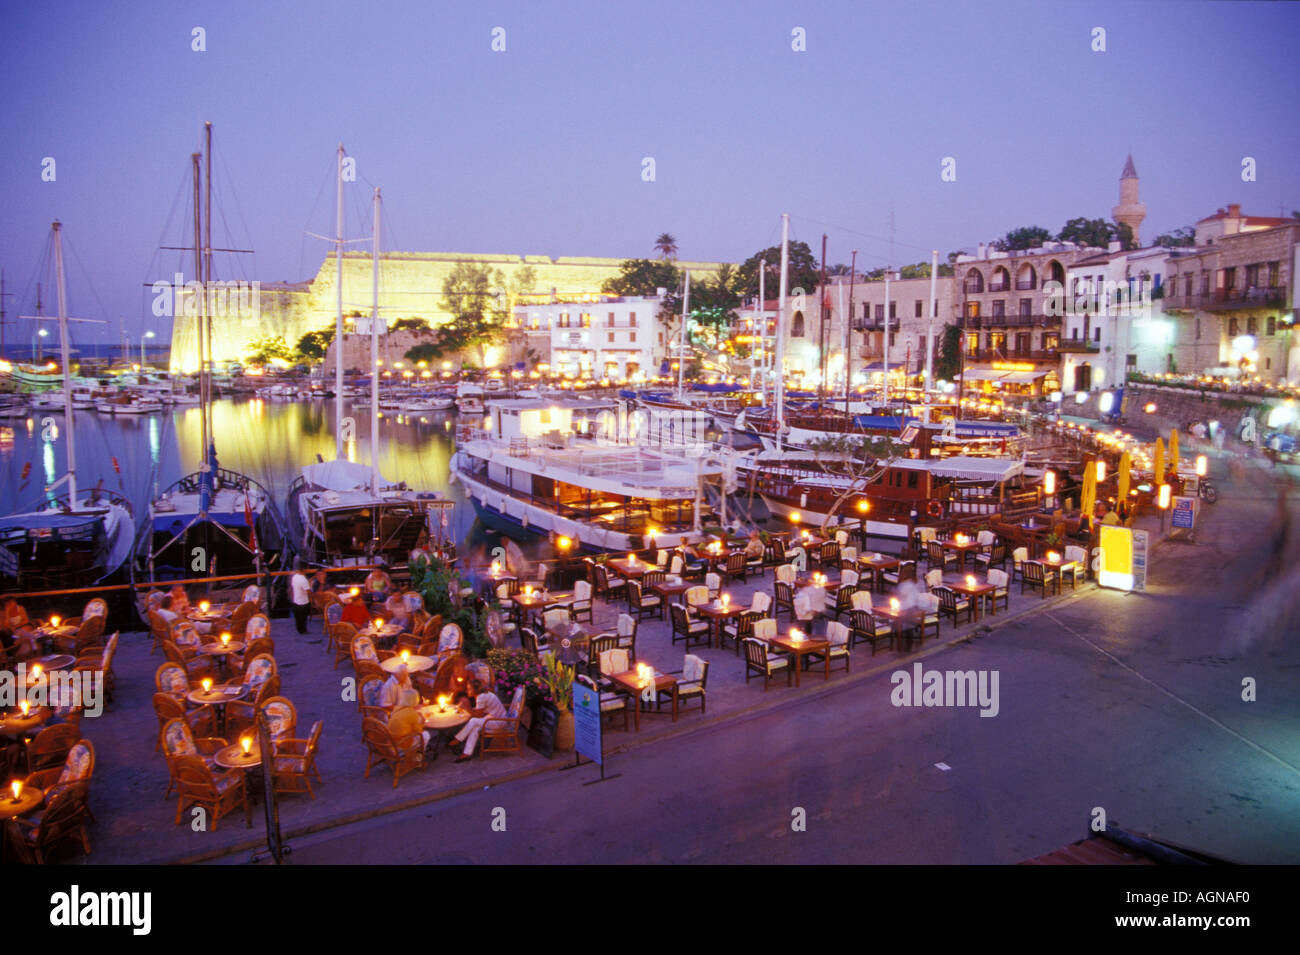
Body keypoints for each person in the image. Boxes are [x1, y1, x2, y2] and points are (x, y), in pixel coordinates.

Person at [449, 679, 507, 762]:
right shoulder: (484, 694)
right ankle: (467, 753)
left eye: (469, 689)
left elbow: (479, 715)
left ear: (475, 690)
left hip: (499, 721)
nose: (467, 691)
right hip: (493, 718)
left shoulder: (481, 697)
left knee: (474, 721)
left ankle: (456, 741)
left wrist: (466, 708)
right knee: (475, 728)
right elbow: (480, 711)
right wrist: (468, 709)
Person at [290, 563, 311, 635]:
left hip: (296, 601)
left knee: (298, 618)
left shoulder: (294, 577)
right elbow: (308, 591)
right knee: (303, 618)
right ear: (305, 569)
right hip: (303, 602)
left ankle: (300, 630)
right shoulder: (303, 579)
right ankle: (303, 630)